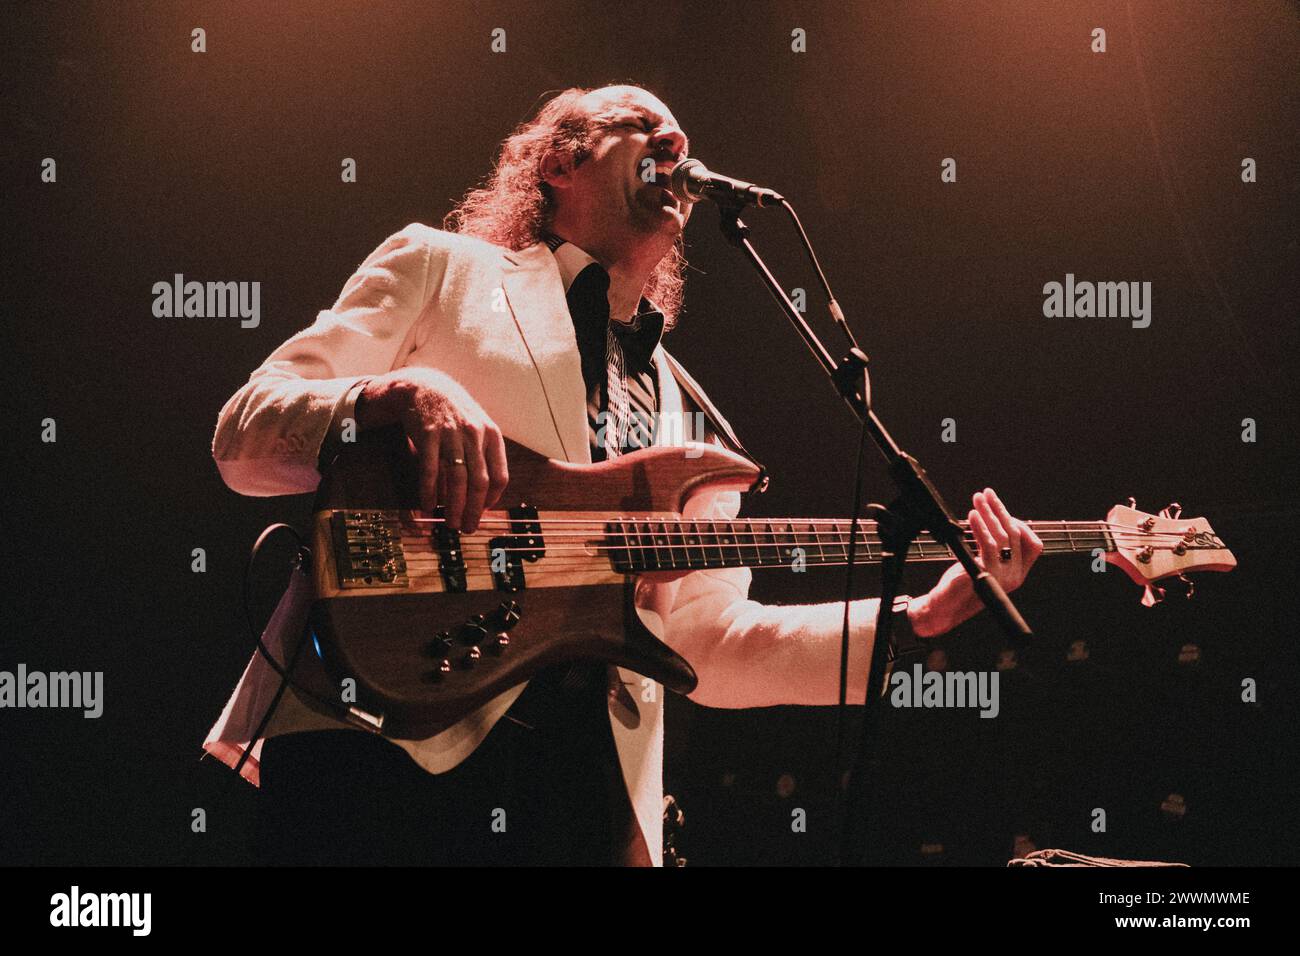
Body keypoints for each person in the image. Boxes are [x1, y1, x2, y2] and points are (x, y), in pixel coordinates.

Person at [203, 84, 1042, 865]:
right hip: (379, 729)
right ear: (559, 165)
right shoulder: (443, 269)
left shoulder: (687, 416)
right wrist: (394, 392)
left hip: (577, 784)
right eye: (641, 124)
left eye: (678, 134)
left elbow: (710, 642)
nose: (673, 138)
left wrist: (917, 619)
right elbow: (245, 431)